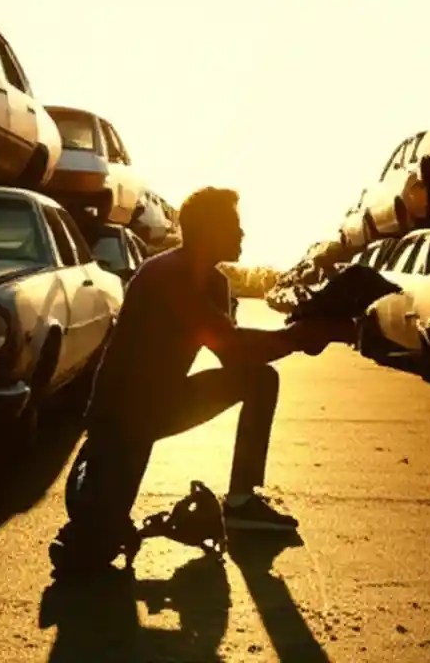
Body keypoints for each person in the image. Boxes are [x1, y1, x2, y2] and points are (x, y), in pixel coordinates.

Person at [73, 186, 355, 539]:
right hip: (122, 415)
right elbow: (234, 347)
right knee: (98, 530)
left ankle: (240, 501)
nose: (241, 233)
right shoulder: (167, 273)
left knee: (259, 380)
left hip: (164, 401)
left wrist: (300, 334)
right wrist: (300, 336)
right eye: (233, 224)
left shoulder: (215, 281)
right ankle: (100, 485)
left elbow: (231, 356)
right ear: (208, 230)